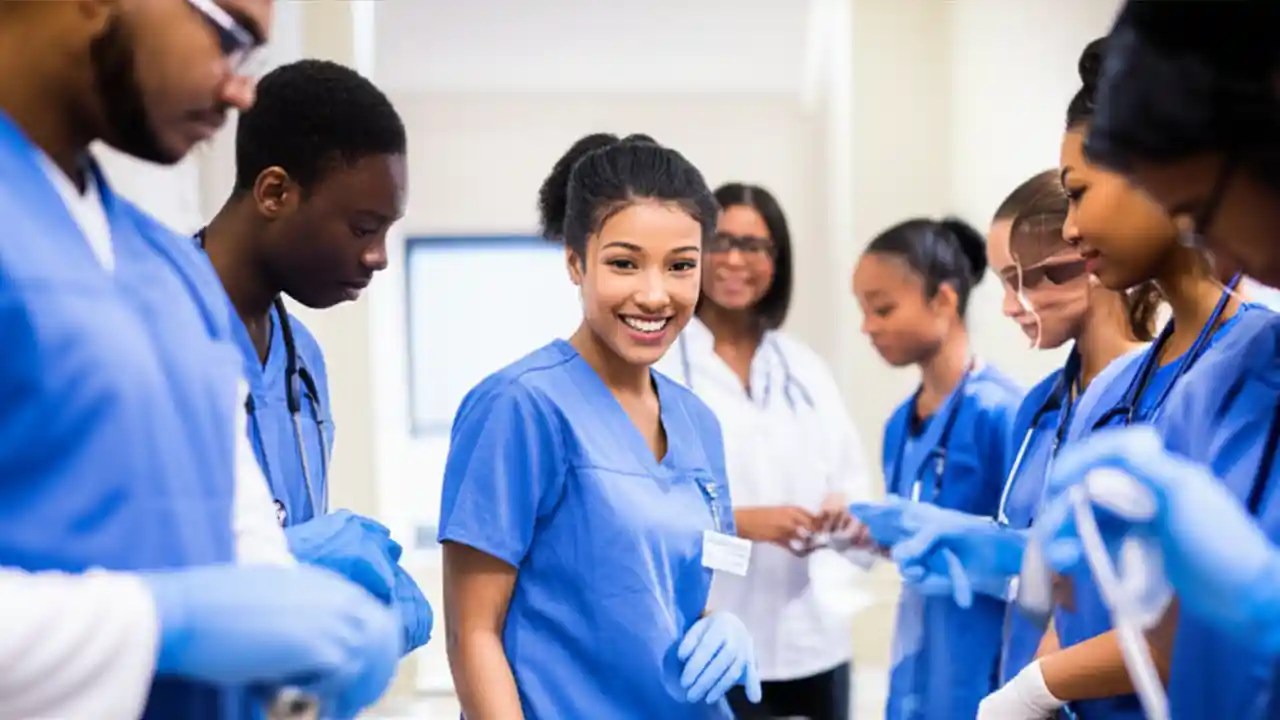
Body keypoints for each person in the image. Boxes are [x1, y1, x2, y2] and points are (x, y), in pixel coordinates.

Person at [0, 1, 400, 717]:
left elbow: (243, 556)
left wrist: (301, 643)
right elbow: (202, 607)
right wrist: (163, 622)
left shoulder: (165, 273)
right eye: (227, 36)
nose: (240, 87)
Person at [999, 36, 1280, 720]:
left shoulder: (1257, 364)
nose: (1069, 229)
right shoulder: (1125, 391)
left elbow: (1196, 627)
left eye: (1079, 195)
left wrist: (1040, 684)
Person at [438, 133, 761, 719]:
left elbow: (659, 599)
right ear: (574, 261)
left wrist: (722, 627)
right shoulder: (521, 407)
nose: (655, 294)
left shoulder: (698, 424)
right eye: (623, 263)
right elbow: (472, 634)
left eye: (681, 266)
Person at [198, 58, 431, 655]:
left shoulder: (304, 360)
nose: (378, 257)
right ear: (275, 192)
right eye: (362, 228)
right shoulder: (150, 319)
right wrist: (284, 560)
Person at [656, 182, 871, 720]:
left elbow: (849, 478)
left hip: (813, 641)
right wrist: (743, 521)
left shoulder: (805, 368)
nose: (735, 259)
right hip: (706, 639)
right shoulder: (659, 367)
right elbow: (641, 504)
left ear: (777, 260)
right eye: (719, 241)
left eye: (754, 246)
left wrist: (844, 514)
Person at [851, 216, 1023, 720]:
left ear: (944, 301)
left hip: (988, 673)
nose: (868, 327)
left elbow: (1036, 559)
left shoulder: (1004, 415)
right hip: (916, 672)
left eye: (882, 308)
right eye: (863, 310)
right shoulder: (898, 426)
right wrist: (862, 533)